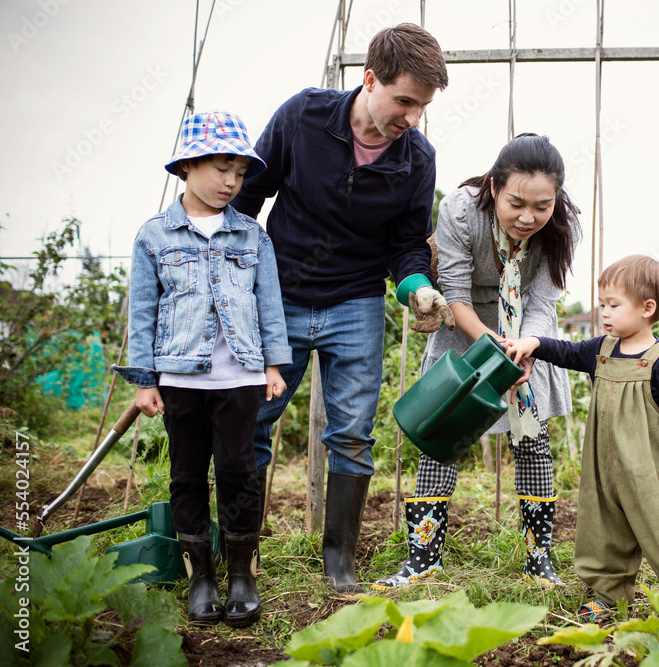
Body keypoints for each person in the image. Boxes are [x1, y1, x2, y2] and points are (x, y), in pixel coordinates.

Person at [230, 23, 453, 594]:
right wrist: (236, 284)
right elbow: (248, 200)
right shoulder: (303, 118)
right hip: (279, 296)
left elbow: (406, 244)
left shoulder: (417, 158)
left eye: (423, 106)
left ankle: (339, 561)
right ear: (370, 78)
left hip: (355, 300)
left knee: (352, 432)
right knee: (252, 422)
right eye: (404, 100)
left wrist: (417, 287)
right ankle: (240, 559)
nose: (412, 117)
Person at [373, 133, 581, 590]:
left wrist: (528, 347)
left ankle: (537, 559)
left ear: (556, 199)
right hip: (463, 328)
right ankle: (423, 559)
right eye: (516, 203)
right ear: (494, 187)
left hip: (527, 333)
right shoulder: (461, 211)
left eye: (542, 206)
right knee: (440, 434)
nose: (528, 217)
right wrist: (493, 348)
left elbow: (544, 301)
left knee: (532, 441)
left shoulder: (563, 226)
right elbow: (458, 292)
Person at [112, 111, 291, 628]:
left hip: (238, 378)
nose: (232, 182)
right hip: (178, 379)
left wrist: (275, 365)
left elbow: (269, 305)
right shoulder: (154, 237)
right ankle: (202, 579)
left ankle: (241, 576)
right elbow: (142, 313)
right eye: (221, 169)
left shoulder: (252, 237)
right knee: (187, 475)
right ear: (187, 167)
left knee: (239, 472)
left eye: (240, 173)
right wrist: (145, 380)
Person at [503, 255, 659, 620]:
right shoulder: (600, 351)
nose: (604, 312)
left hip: (647, 469)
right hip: (603, 465)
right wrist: (533, 342)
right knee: (602, 527)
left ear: (647, 308)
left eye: (614, 305)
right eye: (602, 304)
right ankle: (607, 592)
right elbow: (564, 351)